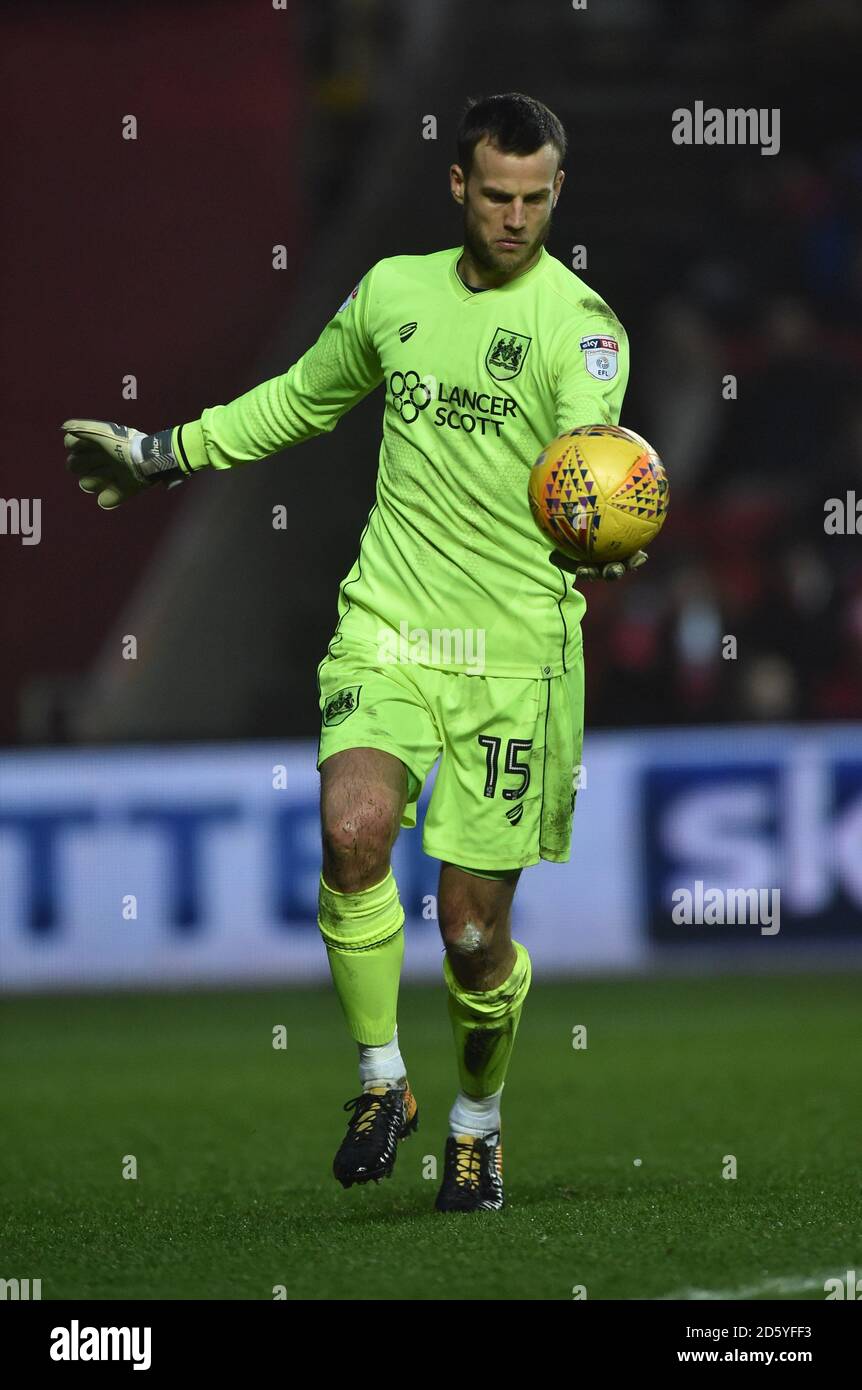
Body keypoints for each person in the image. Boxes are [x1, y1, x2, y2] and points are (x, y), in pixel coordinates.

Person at [62, 92, 644, 1213]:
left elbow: (593, 456)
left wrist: (608, 529)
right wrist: (162, 451)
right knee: (350, 831)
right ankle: (384, 1079)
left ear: (556, 192)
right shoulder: (393, 293)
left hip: (515, 659)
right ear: (458, 188)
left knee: (473, 937)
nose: (516, 218)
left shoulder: (584, 329)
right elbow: (299, 400)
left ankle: (477, 1118)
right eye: (496, 196)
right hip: (389, 625)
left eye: (536, 199)